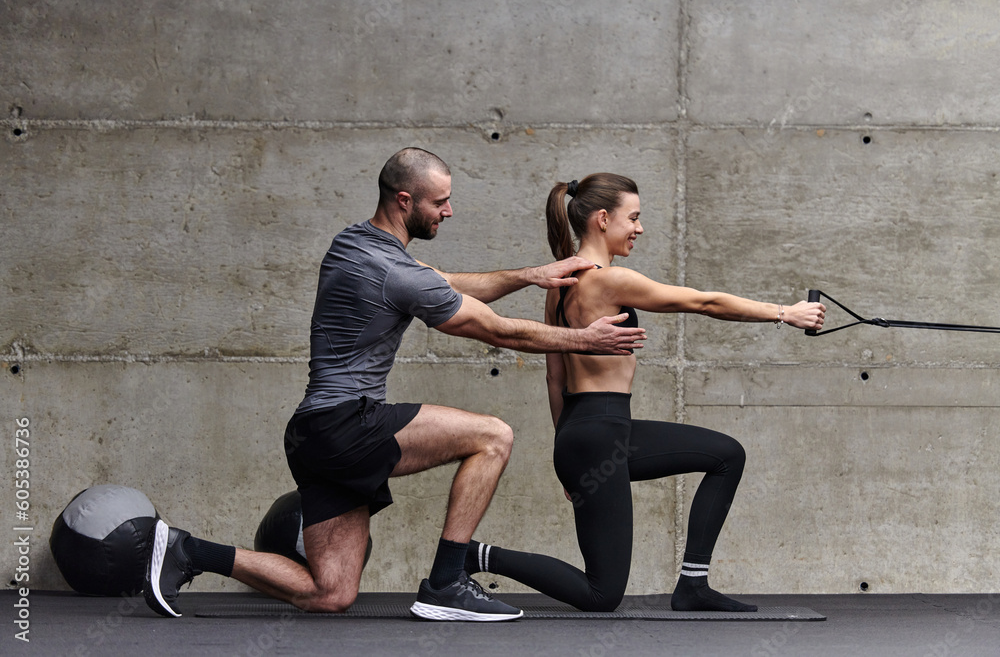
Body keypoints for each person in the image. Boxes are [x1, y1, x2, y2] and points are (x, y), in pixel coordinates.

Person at [142, 149, 646, 622]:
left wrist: (532, 275)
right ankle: (448, 581)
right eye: (440, 201)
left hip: (314, 435)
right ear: (404, 200)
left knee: (330, 592)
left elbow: (445, 280)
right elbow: (496, 329)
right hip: (349, 423)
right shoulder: (393, 270)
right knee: (493, 436)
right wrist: (582, 339)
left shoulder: (355, 243)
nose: (448, 211)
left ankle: (188, 550)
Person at [464, 173, 825, 612]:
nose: (639, 228)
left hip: (591, 434)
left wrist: (568, 453)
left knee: (727, 454)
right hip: (599, 435)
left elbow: (553, 379)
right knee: (602, 594)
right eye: (632, 218)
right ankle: (473, 554)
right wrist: (785, 312)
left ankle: (693, 584)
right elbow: (702, 302)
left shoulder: (562, 283)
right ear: (602, 219)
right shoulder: (606, 280)